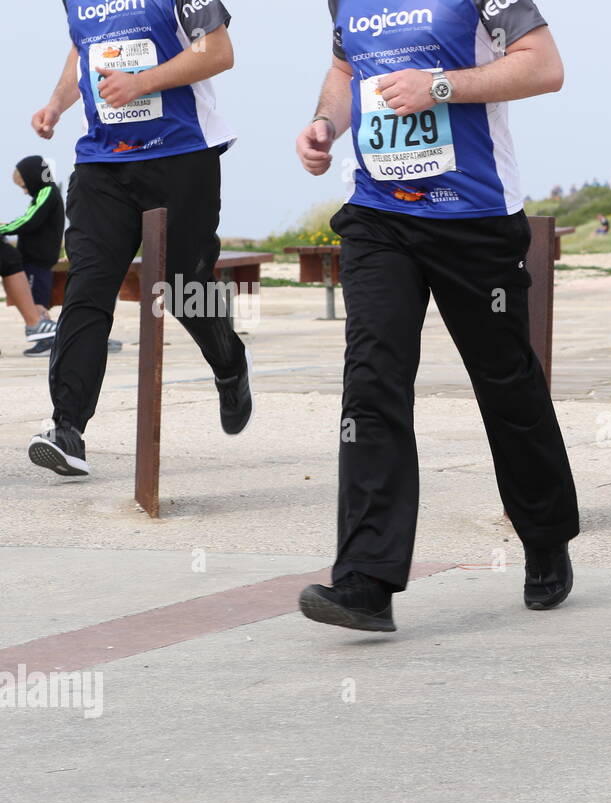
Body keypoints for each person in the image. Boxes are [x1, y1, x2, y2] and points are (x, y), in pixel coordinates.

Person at [294, 0, 580, 632]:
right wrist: (323, 123)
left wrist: (440, 86)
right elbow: (346, 71)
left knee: (504, 379)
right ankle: (365, 580)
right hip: (377, 216)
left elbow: (544, 67)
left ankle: (545, 533)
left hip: (473, 216)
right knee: (372, 381)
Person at [25, 0, 250, 480]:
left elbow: (218, 52)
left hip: (182, 152)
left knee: (185, 287)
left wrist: (141, 82)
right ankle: (66, 428)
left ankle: (229, 364)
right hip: (102, 163)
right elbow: (81, 50)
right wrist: (56, 104)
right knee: (87, 286)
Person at [0, 156, 62, 355]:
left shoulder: (47, 193)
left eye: (24, 186)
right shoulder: (46, 194)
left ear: (33, 178)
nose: (25, 191)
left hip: (38, 259)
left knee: (37, 301)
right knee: (38, 299)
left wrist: (4, 229)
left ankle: (46, 341)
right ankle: (48, 338)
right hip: (38, 259)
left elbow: (30, 221)